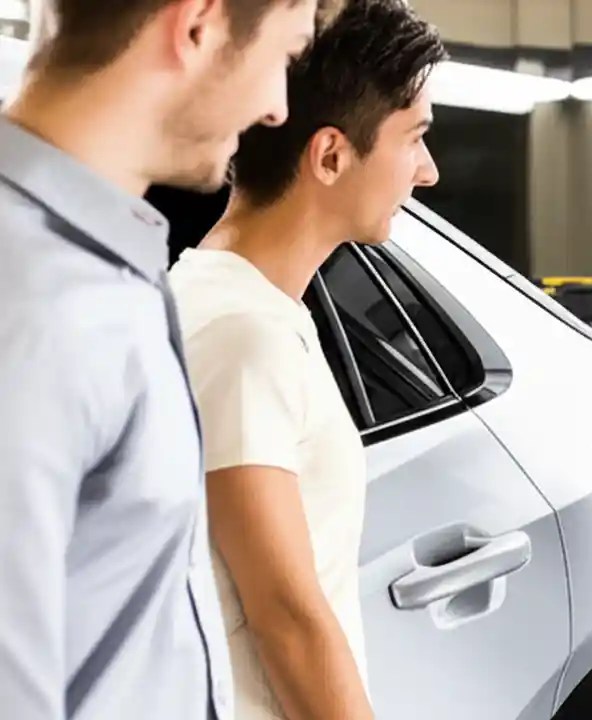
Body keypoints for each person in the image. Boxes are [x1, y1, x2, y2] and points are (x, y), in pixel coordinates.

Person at [0, 1, 317, 718]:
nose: (276, 108)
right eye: (284, 58)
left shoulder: (101, 267)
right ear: (197, 25)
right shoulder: (35, 298)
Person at [167, 1, 445, 717]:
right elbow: (288, 618)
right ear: (330, 155)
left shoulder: (246, 307)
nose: (428, 171)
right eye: (414, 139)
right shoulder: (239, 334)